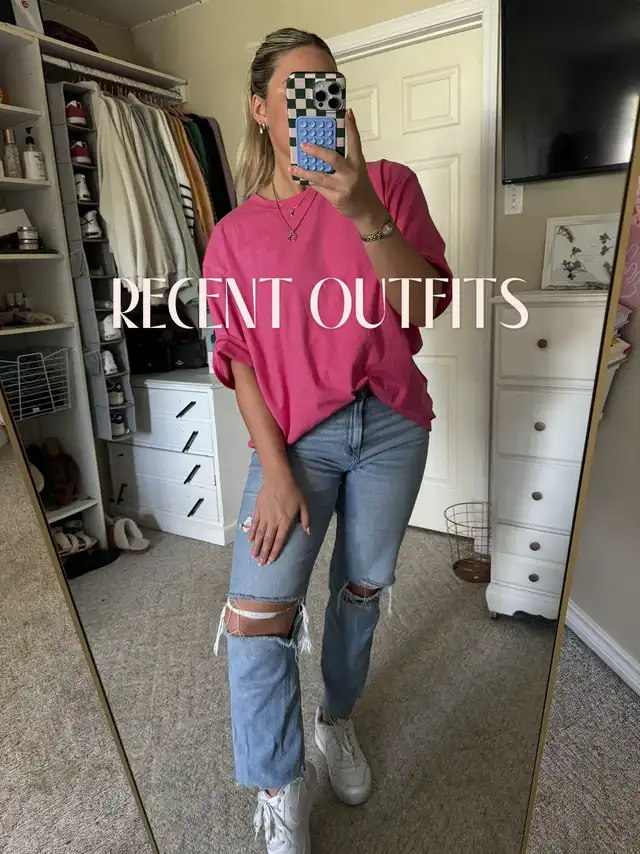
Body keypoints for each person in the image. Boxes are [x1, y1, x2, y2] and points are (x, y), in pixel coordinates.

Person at [204, 26, 453, 854]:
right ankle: (280, 785)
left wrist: (364, 211)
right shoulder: (233, 236)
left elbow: (423, 306)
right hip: (293, 439)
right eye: (297, 90)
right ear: (261, 109)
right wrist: (273, 471)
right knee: (255, 615)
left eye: (329, 88)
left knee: (361, 590)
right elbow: (238, 358)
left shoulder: (389, 186)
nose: (317, 104)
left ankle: (335, 720)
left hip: (389, 426)